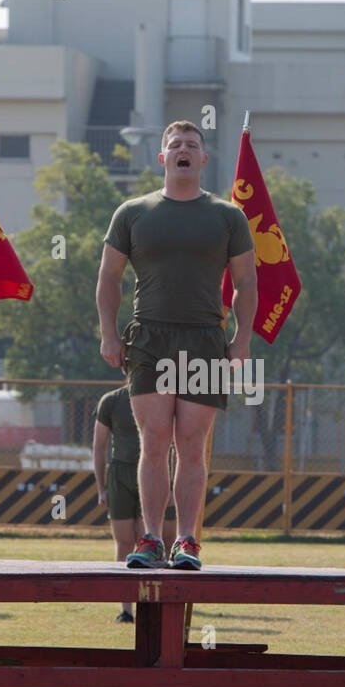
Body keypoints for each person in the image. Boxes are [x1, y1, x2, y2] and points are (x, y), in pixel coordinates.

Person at [96, 120, 258, 570]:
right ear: (162, 158)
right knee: (154, 440)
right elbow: (108, 276)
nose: (183, 149)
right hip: (149, 336)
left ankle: (186, 540)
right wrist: (109, 333)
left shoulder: (228, 216)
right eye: (175, 145)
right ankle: (149, 539)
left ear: (203, 159)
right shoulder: (133, 212)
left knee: (190, 442)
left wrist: (241, 340)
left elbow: (246, 282)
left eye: (192, 144)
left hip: (205, 338)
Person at [93, 384, 176, 620]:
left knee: (148, 540)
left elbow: (178, 445)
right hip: (121, 473)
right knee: (124, 541)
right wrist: (102, 488)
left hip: (155, 472)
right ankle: (126, 608)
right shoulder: (111, 400)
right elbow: (99, 446)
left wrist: (171, 487)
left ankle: (152, 605)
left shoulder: (164, 396)